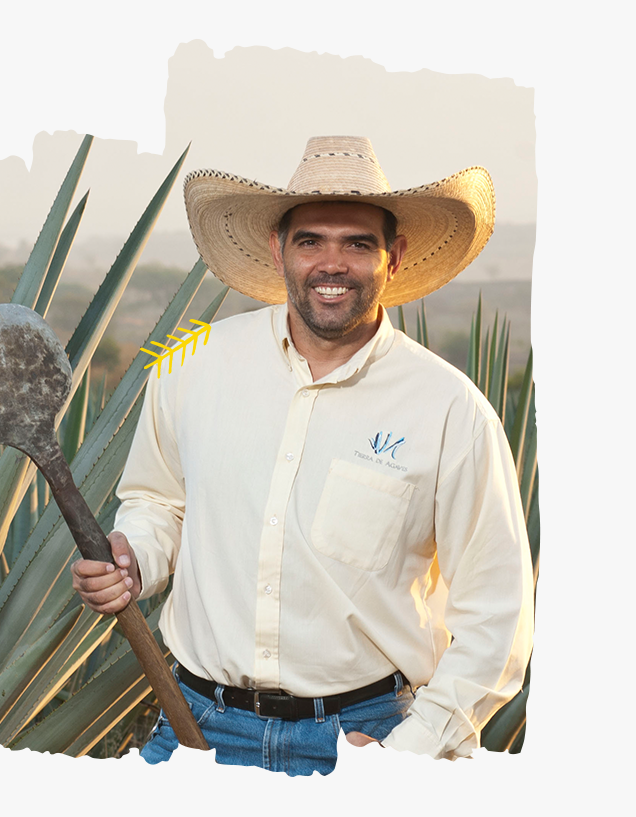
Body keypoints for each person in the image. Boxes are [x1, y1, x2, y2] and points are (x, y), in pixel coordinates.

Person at [72, 136, 534, 773]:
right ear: (277, 249)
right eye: (311, 239)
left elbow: (496, 616)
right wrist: (134, 558)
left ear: (394, 257)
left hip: (362, 745)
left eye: (358, 243)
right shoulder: (192, 363)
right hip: (192, 728)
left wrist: (408, 756)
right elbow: (156, 501)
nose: (332, 262)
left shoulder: (451, 412)